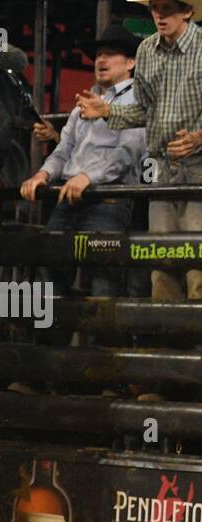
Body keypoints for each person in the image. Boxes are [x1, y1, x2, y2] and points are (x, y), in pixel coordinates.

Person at [78, 0, 202, 301]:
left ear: (187, 11)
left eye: (168, 8)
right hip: (162, 166)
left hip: (198, 165)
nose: (160, 15)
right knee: (160, 260)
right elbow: (145, 110)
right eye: (155, 8)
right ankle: (166, 340)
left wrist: (199, 137)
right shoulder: (147, 49)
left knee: (198, 263)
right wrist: (108, 110)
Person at [19, 25, 146, 297]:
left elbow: (129, 151)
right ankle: (52, 337)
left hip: (108, 198)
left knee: (103, 278)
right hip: (69, 194)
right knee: (50, 274)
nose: (101, 60)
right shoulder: (85, 101)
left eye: (111, 54)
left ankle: (101, 339)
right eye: (99, 54)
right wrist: (43, 174)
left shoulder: (137, 99)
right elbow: (64, 149)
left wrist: (88, 177)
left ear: (131, 62)